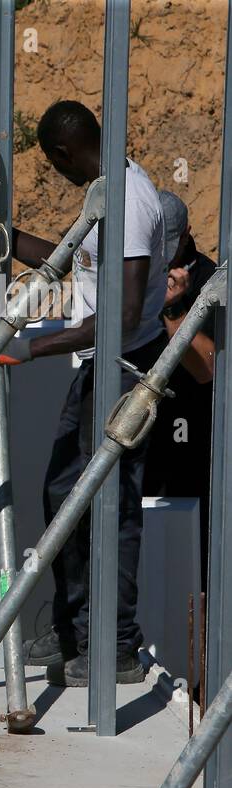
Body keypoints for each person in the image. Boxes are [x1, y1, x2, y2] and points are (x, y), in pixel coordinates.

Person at [0, 101, 169, 686]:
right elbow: (65, 262)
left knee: (108, 504)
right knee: (67, 492)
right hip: (99, 362)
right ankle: (76, 631)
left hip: (123, 363)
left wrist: (31, 348)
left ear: (62, 153)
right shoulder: (106, 192)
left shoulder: (129, 201)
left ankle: (115, 645)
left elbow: (126, 314)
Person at [143, 191, 217, 585]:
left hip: (194, 441)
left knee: (195, 567)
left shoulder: (211, 280)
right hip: (143, 437)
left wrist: (174, 311)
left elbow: (208, 366)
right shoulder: (135, 272)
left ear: (188, 234)